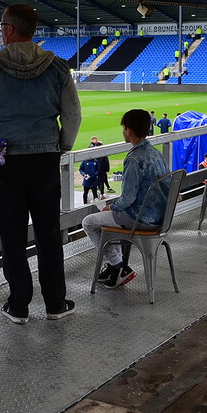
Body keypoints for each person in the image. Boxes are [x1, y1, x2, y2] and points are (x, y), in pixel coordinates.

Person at [0, 4, 81, 323]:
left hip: (6, 161)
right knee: (48, 234)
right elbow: (72, 115)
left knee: (13, 237)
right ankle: (55, 304)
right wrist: (61, 146)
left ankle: (19, 305)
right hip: (45, 157)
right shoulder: (58, 67)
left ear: (8, 29)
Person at [82, 109, 170, 290]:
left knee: (89, 222)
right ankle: (116, 268)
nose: (123, 131)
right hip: (161, 217)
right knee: (109, 219)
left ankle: (118, 265)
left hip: (140, 218)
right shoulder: (157, 154)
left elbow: (127, 199)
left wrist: (111, 207)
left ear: (129, 130)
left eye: (123, 128)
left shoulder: (134, 158)